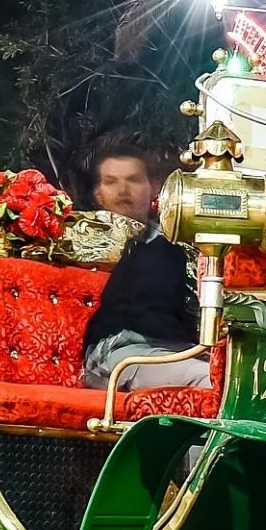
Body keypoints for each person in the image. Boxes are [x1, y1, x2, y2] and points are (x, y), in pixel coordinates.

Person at [79, 141, 214, 390]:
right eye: (111, 181)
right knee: (210, 379)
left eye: (133, 179)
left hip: (178, 351)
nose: (123, 190)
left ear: (153, 187)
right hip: (121, 353)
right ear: (98, 193)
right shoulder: (83, 237)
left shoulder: (175, 244)